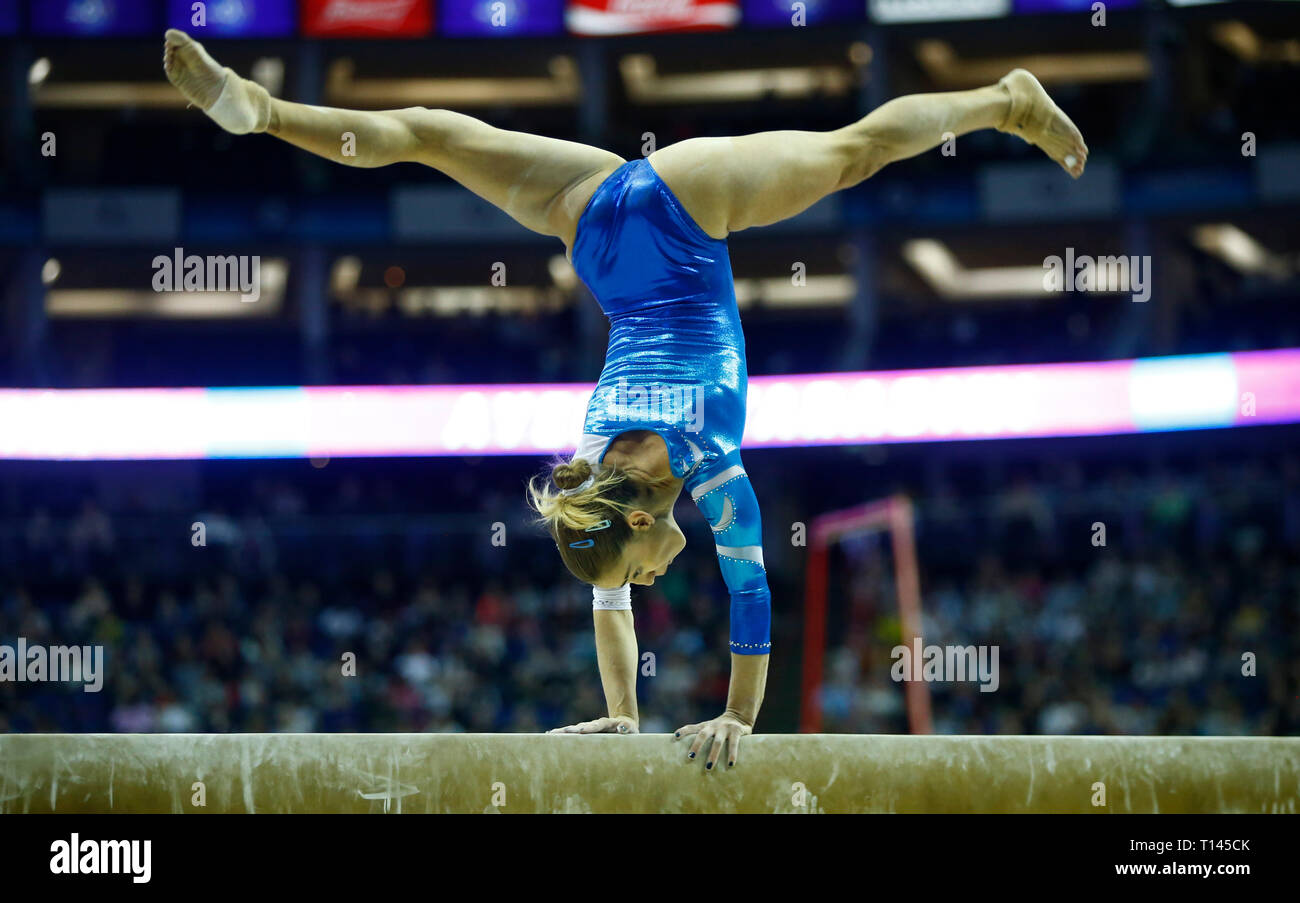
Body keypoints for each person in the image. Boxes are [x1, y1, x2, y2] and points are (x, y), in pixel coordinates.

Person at [163, 28, 1087, 770]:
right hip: (595, 222)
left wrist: (737, 716)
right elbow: (630, 590)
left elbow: (752, 593)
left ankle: (1006, 99)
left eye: (640, 572)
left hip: (690, 211)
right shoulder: (599, 464)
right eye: (638, 581)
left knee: (854, 154)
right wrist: (624, 718)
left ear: (643, 528)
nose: (650, 584)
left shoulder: (714, 471)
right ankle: (260, 110)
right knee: (438, 135)